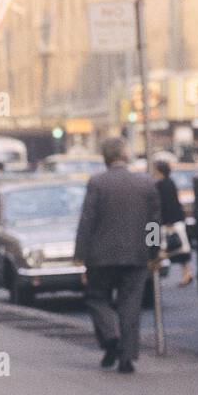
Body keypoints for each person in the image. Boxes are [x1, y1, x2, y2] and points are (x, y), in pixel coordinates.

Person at [74, 136, 161, 375]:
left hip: (100, 257)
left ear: (105, 158)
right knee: (130, 305)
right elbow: (153, 223)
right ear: (126, 156)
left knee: (96, 298)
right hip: (136, 256)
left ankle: (111, 338)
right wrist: (153, 252)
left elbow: (87, 220)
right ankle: (127, 358)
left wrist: (80, 254)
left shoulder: (97, 183)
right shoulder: (146, 184)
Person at [152, 155, 193, 286]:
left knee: (161, 250)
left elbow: (166, 204)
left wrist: (168, 222)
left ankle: (156, 279)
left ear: (159, 171)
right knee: (180, 249)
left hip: (168, 222)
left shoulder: (161, 185)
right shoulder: (170, 182)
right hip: (175, 220)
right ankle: (187, 273)